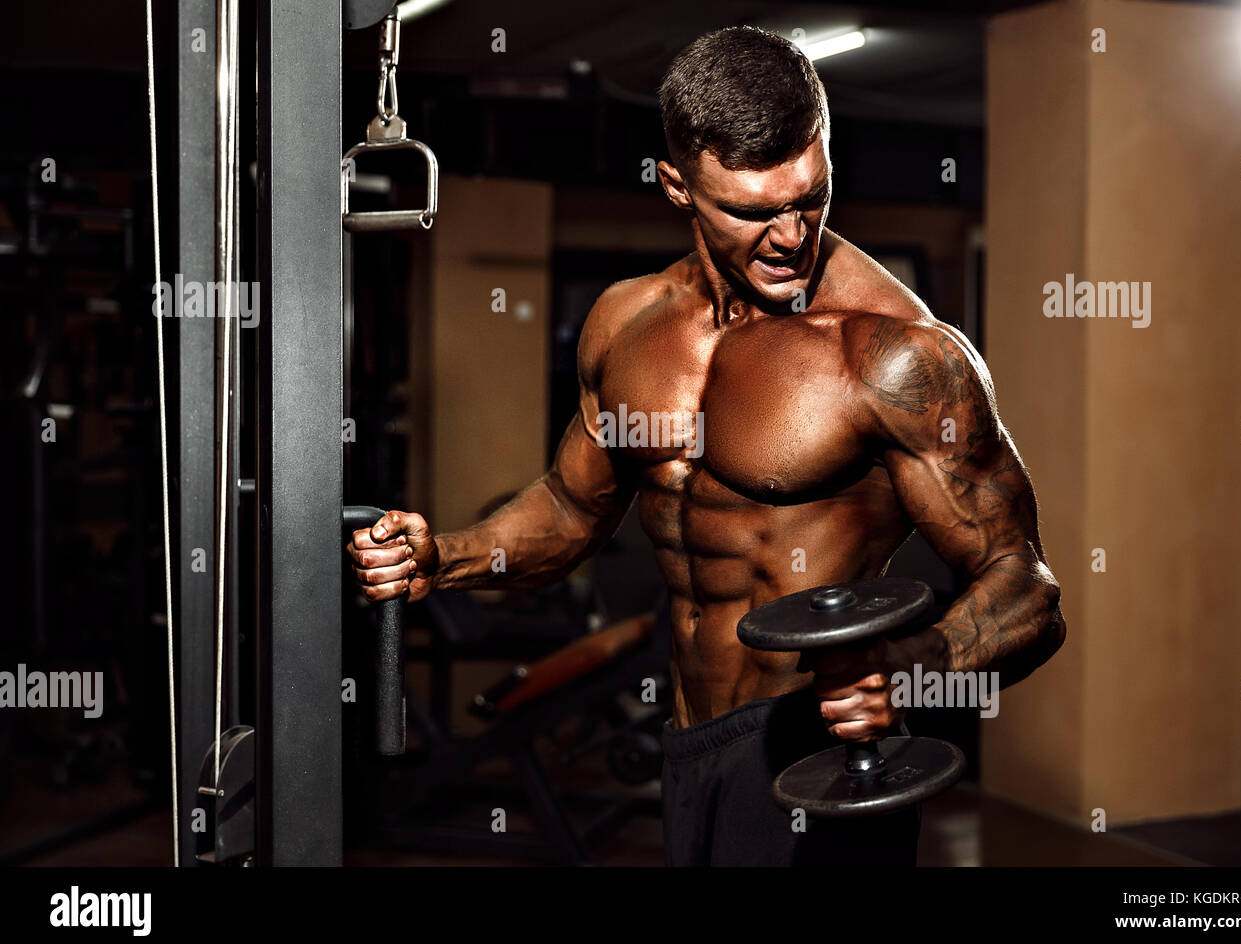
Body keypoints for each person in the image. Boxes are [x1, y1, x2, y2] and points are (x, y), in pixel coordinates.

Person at [347, 25, 1066, 866]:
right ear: (677, 188)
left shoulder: (894, 355)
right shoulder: (626, 321)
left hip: (819, 760)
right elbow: (573, 506)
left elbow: (1029, 590)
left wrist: (913, 665)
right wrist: (452, 558)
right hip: (688, 745)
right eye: (755, 212)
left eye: (812, 197)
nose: (792, 236)